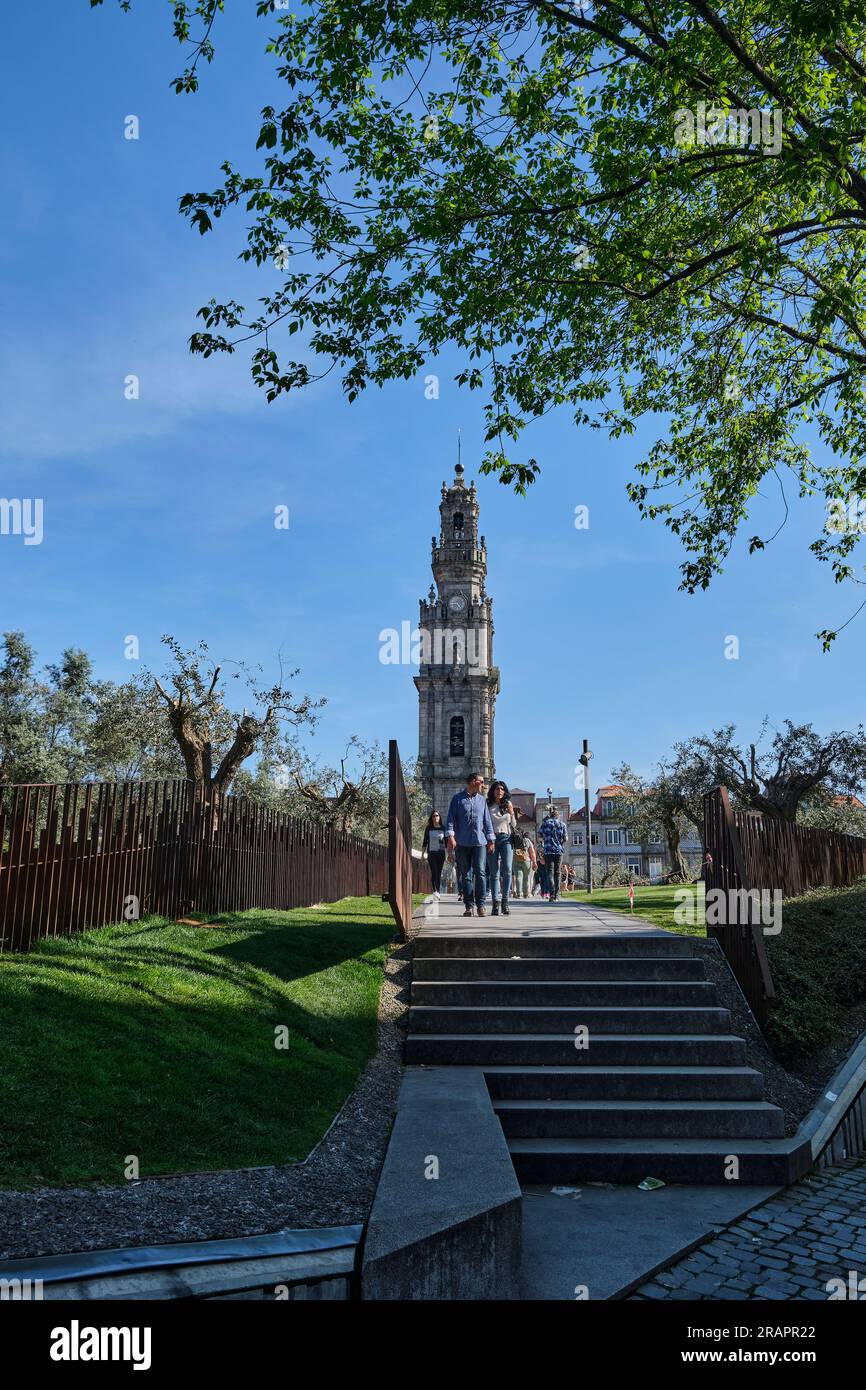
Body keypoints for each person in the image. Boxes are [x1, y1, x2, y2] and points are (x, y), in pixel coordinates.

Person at [445, 773, 495, 918]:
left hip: (480, 842)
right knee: (466, 875)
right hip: (462, 843)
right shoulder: (457, 799)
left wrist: (491, 840)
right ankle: (468, 906)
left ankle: (481, 905)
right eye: (481, 782)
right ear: (473, 782)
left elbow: (487, 822)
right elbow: (450, 820)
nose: (483, 785)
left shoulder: (482, 801)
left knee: (480, 872)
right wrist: (451, 837)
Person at [486, 780, 517, 916]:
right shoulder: (488, 805)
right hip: (492, 839)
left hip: (506, 839)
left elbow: (514, 825)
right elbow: (485, 824)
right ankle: (495, 903)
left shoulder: (508, 804)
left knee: (508, 870)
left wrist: (512, 813)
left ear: (505, 791)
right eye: (497, 789)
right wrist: (489, 839)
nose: (499, 791)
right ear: (493, 791)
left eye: (502, 789)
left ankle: (505, 902)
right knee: (494, 873)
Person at [540, 805, 567, 902]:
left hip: (548, 850)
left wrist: (545, 841)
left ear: (550, 816)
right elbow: (566, 839)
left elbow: (540, 837)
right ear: (558, 816)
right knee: (558, 873)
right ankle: (557, 895)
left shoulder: (545, 823)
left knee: (550, 873)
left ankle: (551, 895)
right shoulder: (562, 824)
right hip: (558, 851)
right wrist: (559, 843)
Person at [421, 810, 447, 898]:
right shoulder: (429, 828)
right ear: (431, 818)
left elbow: (446, 843)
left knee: (439, 873)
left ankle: (438, 892)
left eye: (437, 816)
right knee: (434, 872)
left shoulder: (443, 828)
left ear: (439, 817)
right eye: (434, 816)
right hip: (431, 853)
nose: (435, 817)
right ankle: (435, 891)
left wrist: (449, 854)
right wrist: (422, 854)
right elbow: (425, 842)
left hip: (441, 854)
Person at [512, 826, 535, 899]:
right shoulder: (527, 840)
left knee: (518, 877)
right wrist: (534, 861)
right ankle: (526, 893)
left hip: (515, 860)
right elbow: (532, 852)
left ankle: (518, 893)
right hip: (526, 860)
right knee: (526, 878)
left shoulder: (513, 840)